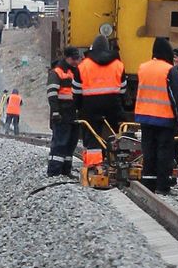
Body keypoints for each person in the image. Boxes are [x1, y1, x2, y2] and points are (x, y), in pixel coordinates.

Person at [134, 35, 178, 195]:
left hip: (144, 117)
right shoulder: (168, 70)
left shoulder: (143, 67)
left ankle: (148, 183)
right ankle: (162, 186)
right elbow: (176, 96)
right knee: (164, 153)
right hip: (164, 118)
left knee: (149, 151)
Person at [76, 34, 126, 159]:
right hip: (113, 104)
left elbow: (76, 91)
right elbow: (123, 89)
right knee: (117, 133)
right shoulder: (118, 64)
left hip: (90, 105)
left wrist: (79, 108)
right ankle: (118, 162)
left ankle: (94, 167)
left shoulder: (83, 65)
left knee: (92, 136)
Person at [46, 49, 80, 178]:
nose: (76, 62)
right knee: (60, 143)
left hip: (72, 113)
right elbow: (52, 93)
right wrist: (55, 111)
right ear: (67, 58)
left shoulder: (74, 72)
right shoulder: (57, 72)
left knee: (71, 144)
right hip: (61, 113)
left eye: (77, 59)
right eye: (73, 59)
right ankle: (54, 171)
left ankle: (66, 171)